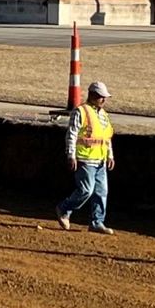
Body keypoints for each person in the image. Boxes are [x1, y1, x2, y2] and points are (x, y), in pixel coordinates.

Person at [56, 81, 115, 233]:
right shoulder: (80, 112)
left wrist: (110, 155)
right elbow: (72, 134)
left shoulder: (103, 115)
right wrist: (71, 155)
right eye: (101, 97)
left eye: (104, 97)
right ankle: (64, 209)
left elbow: (106, 136)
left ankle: (97, 222)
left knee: (101, 192)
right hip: (85, 159)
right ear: (93, 95)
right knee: (86, 191)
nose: (104, 100)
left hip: (100, 161)